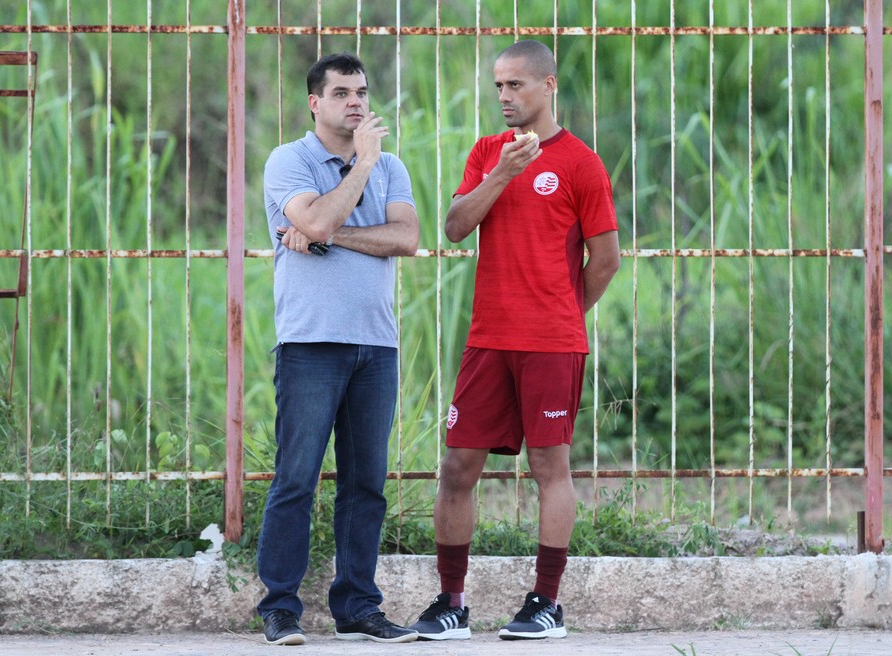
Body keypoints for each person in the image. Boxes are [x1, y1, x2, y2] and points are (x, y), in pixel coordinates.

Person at [408, 40, 620, 641]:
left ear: (548, 85)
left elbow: (606, 259)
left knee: (549, 465)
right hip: (488, 339)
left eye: (516, 85)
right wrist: (503, 171)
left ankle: (546, 603)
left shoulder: (581, 162)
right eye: (498, 85)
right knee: (457, 465)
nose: (504, 95)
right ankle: (451, 602)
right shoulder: (486, 153)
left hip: (551, 343)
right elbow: (455, 227)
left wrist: (561, 315)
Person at [256, 52, 420, 645]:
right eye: (342, 93)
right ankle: (280, 607)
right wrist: (359, 167)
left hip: (376, 345)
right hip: (311, 344)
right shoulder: (289, 160)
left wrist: (329, 234)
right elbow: (317, 220)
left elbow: (406, 238)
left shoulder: (392, 166)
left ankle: (357, 607)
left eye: (362, 93)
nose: (356, 103)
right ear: (315, 103)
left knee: (366, 485)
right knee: (296, 478)